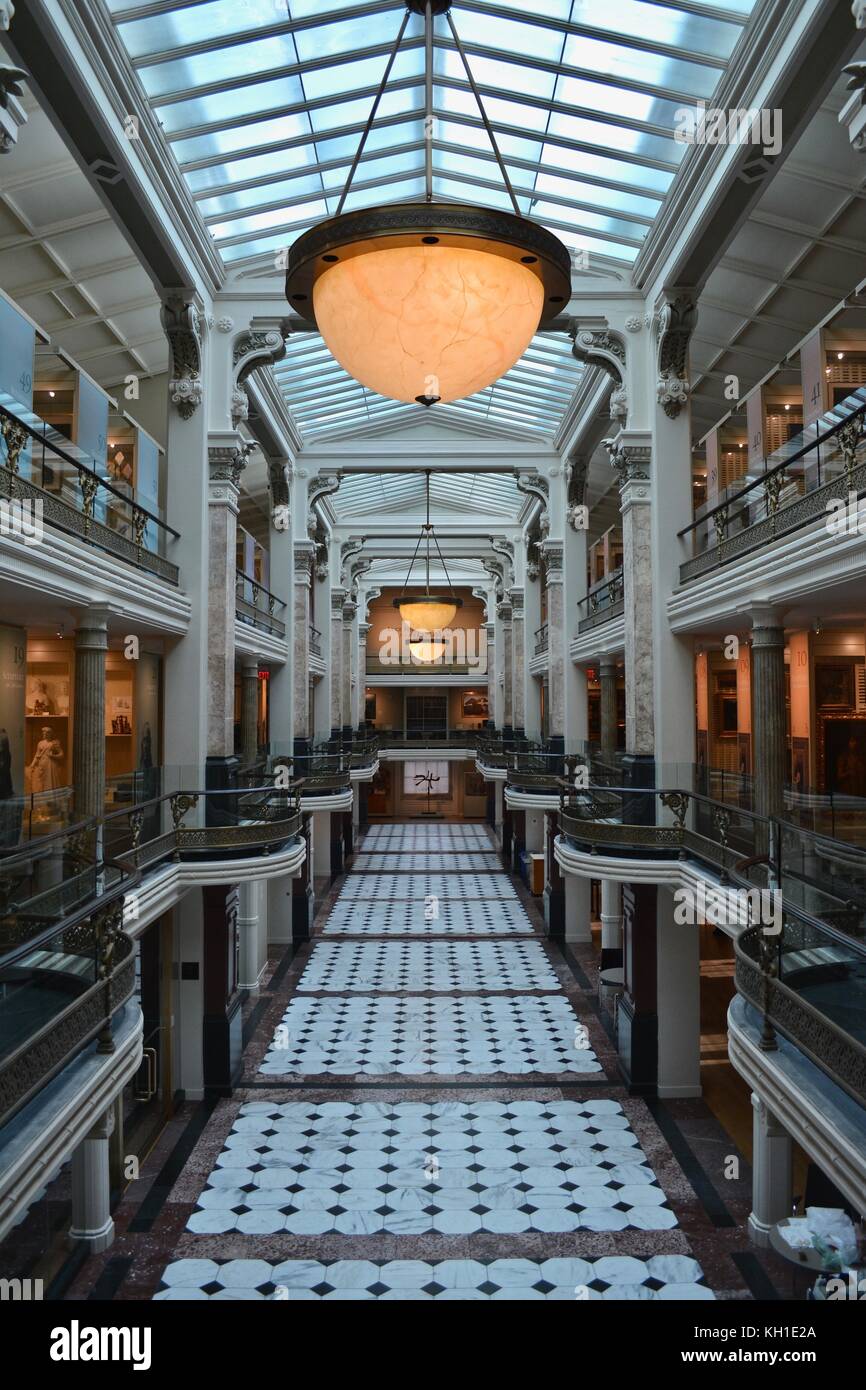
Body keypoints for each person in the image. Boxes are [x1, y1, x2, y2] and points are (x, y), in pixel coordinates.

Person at [28, 726, 63, 793]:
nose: (44, 734)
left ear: (51, 734)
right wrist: (32, 764)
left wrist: (53, 756)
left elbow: (61, 754)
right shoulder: (40, 743)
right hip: (42, 764)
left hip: (50, 765)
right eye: (43, 732)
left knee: (49, 782)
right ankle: (43, 800)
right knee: (41, 782)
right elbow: (37, 755)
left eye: (47, 732)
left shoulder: (54, 743)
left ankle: (49, 799)